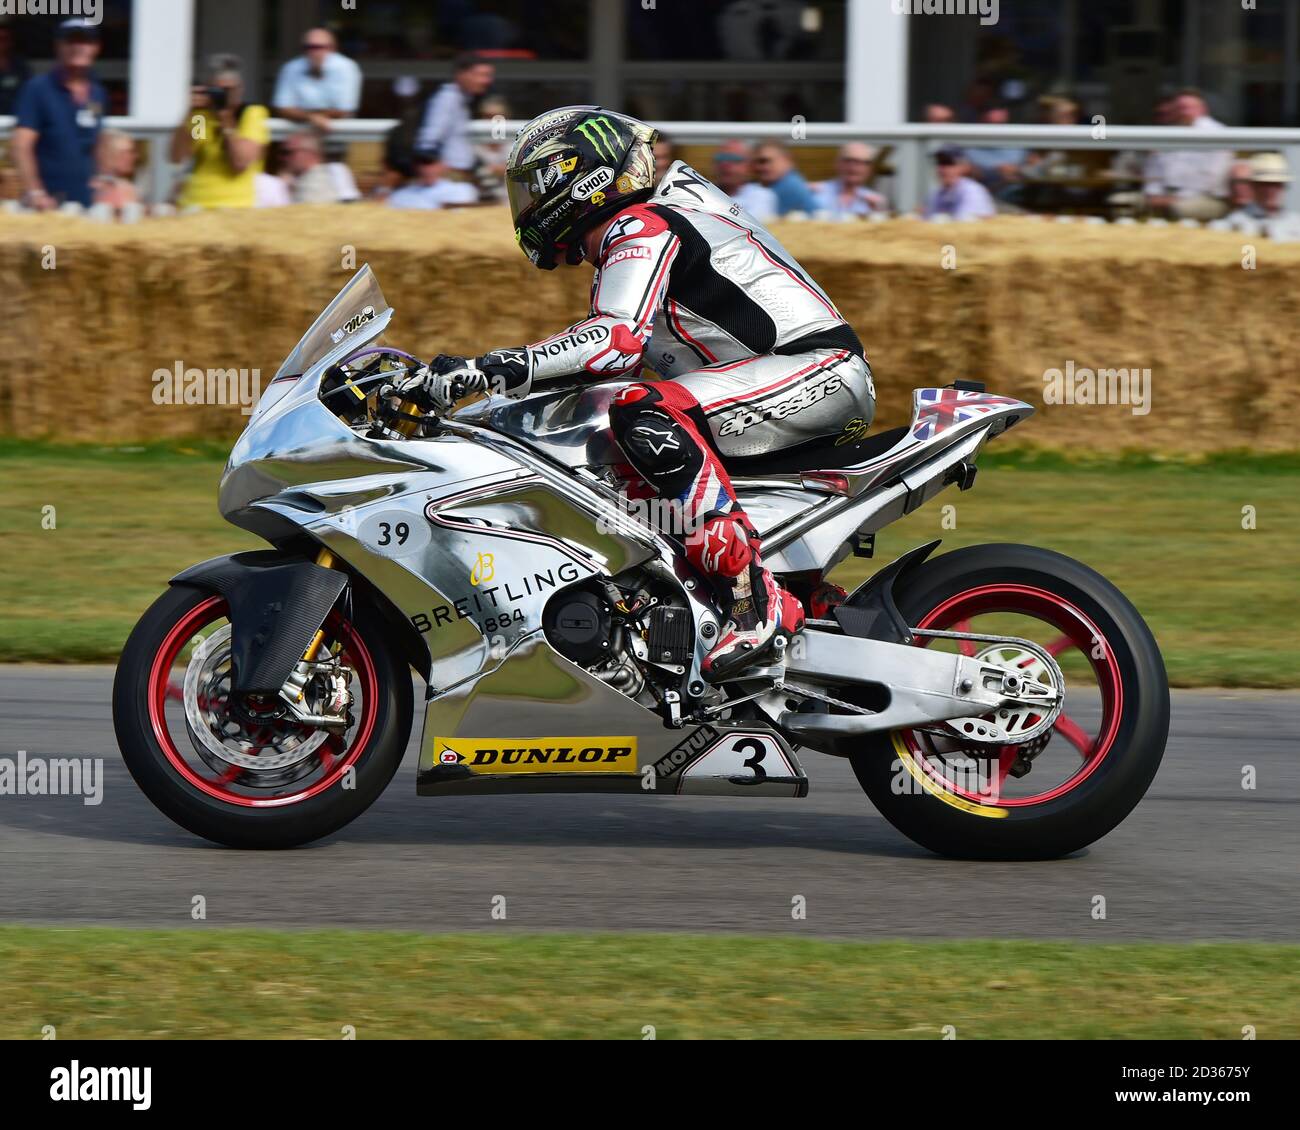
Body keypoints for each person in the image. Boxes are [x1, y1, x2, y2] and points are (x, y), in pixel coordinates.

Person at [396, 108, 876, 680]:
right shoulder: (639, 230)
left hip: (816, 369)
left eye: (531, 188)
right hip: (774, 382)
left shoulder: (641, 224)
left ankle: (752, 604)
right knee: (607, 431)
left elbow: (613, 343)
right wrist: (478, 407)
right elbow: (590, 365)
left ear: (575, 178)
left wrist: (481, 371)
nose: (523, 206)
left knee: (641, 411)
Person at [11, 18, 106, 210]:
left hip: (85, 201)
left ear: (96, 48)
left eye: (85, 41)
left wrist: (103, 178)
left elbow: (98, 141)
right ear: (58, 46)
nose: (78, 47)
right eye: (71, 41)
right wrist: (35, 191)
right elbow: (21, 145)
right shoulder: (38, 89)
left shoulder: (97, 93)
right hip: (48, 202)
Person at [171, 55, 270, 210]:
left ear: (240, 89)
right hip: (195, 203)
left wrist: (226, 119)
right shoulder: (202, 117)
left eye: (228, 90)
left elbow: (240, 163)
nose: (224, 96)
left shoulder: (251, 114)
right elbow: (179, 157)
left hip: (234, 205)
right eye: (218, 90)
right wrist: (190, 113)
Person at [1143, 89, 1233, 221]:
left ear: (1203, 109)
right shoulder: (1167, 133)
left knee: (1177, 208)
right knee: (1122, 201)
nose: (1183, 112)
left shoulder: (1217, 133)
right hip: (1165, 195)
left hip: (1206, 198)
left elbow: (1212, 179)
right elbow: (1154, 169)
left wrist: (1174, 198)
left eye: (1188, 108)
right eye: (1178, 108)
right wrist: (1153, 194)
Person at [415, 52, 495, 178]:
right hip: (448, 177)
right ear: (461, 75)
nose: (487, 81)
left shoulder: (462, 99)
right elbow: (429, 141)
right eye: (481, 75)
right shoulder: (447, 98)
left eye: (488, 76)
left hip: (459, 174)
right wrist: (431, 167)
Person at [272, 28, 362, 130]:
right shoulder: (291, 68)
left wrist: (309, 116)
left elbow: (344, 109)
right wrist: (311, 117)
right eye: (308, 47)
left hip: (337, 132)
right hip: (299, 132)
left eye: (319, 47)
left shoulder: (346, 67)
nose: (313, 52)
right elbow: (283, 107)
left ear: (332, 48)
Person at [812, 142, 888, 218]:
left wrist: (878, 213)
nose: (853, 167)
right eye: (848, 161)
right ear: (837, 163)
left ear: (869, 169)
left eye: (861, 163)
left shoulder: (876, 200)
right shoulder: (815, 192)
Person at [386, 148, 479, 209]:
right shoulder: (401, 195)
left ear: (443, 165)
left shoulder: (463, 190)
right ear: (415, 166)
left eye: (431, 163)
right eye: (422, 163)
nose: (426, 169)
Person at [711, 140, 778, 222]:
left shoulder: (762, 196)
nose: (725, 164)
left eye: (734, 159)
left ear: (750, 165)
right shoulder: (702, 194)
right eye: (720, 158)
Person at [922, 147, 996, 220]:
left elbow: (963, 222)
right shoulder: (937, 193)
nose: (943, 169)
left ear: (963, 167)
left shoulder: (972, 191)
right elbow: (927, 219)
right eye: (939, 163)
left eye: (949, 163)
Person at [751, 140, 819, 216]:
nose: (758, 167)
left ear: (786, 159)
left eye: (764, 161)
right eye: (754, 162)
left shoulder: (789, 186)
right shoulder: (784, 183)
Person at [282, 130, 343, 204]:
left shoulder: (315, 185)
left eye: (288, 152)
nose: (283, 158)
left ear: (309, 153)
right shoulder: (308, 178)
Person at [92, 129, 141, 211]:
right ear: (107, 154)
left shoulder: (129, 189)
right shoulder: (93, 189)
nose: (134, 157)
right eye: (127, 152)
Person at [0, 22, 31, 117]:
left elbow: (29, 95)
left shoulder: (20, 67)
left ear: (10, 42)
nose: (1, 43)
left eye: (4, 39)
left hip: (15, 119)